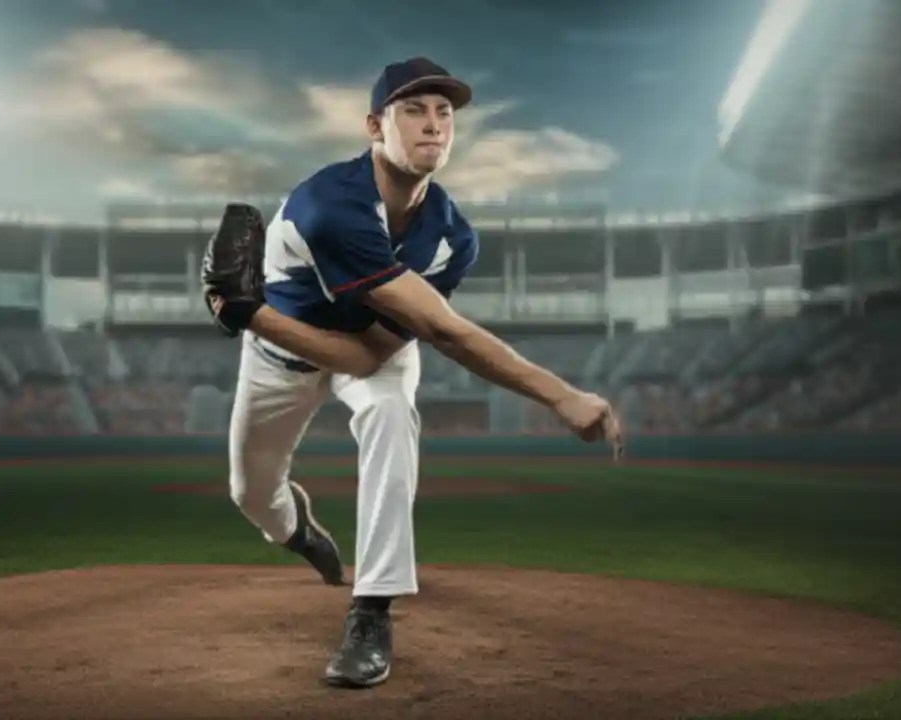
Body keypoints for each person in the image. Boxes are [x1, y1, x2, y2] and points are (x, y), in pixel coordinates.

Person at [202, 56, 624, 689]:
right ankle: (301, 533)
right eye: (413, 110)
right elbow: (398, 339)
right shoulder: (331, 205)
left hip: (355, 346)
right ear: (376, 125)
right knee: (251, 493)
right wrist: (260, 325)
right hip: (280, 357)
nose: (434, 125)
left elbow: (379, 353)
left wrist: (250, 313)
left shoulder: (454, 237)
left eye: (445, 112)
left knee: (392, 411)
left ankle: (372, 609)